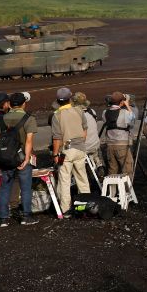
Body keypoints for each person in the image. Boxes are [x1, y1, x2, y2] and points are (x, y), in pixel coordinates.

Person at [0, 92, 37, 226]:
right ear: (23, 104)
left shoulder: (2, 119)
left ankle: (3, 218)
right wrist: (26, 158)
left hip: (5, 158)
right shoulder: (29, 118)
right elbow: (29, 141)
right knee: (25, 188)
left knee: (5, 188)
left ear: (10, 104)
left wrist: (0, 157)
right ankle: (26, 216)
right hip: (21, 158)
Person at [50, 87, 90, 215]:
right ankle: (85, 207)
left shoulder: (56, 115)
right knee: (82, 179)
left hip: (65, 151)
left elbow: (57, 138)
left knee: (65, 180)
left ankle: (66, 209)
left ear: (58, 100)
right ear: (69, 98)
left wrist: (55, 154)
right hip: (80, 149)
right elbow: (84, 132)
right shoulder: (79, 111)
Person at [103, 92, 135, 177]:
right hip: (122, 145)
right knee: (127, 169)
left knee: (112, 170)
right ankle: (127, 189)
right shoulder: (125, 112)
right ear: (122, 102)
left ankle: (112, 190)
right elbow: (132, 122)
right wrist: (127, 105)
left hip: (110, 145)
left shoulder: (105, 113)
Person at [73, 92, 103, 179]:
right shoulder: (92, 111)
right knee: (96, 150)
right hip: (95, 144)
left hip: (83, 148)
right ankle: (99, 164)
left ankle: (78, 175)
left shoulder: (75, 115)